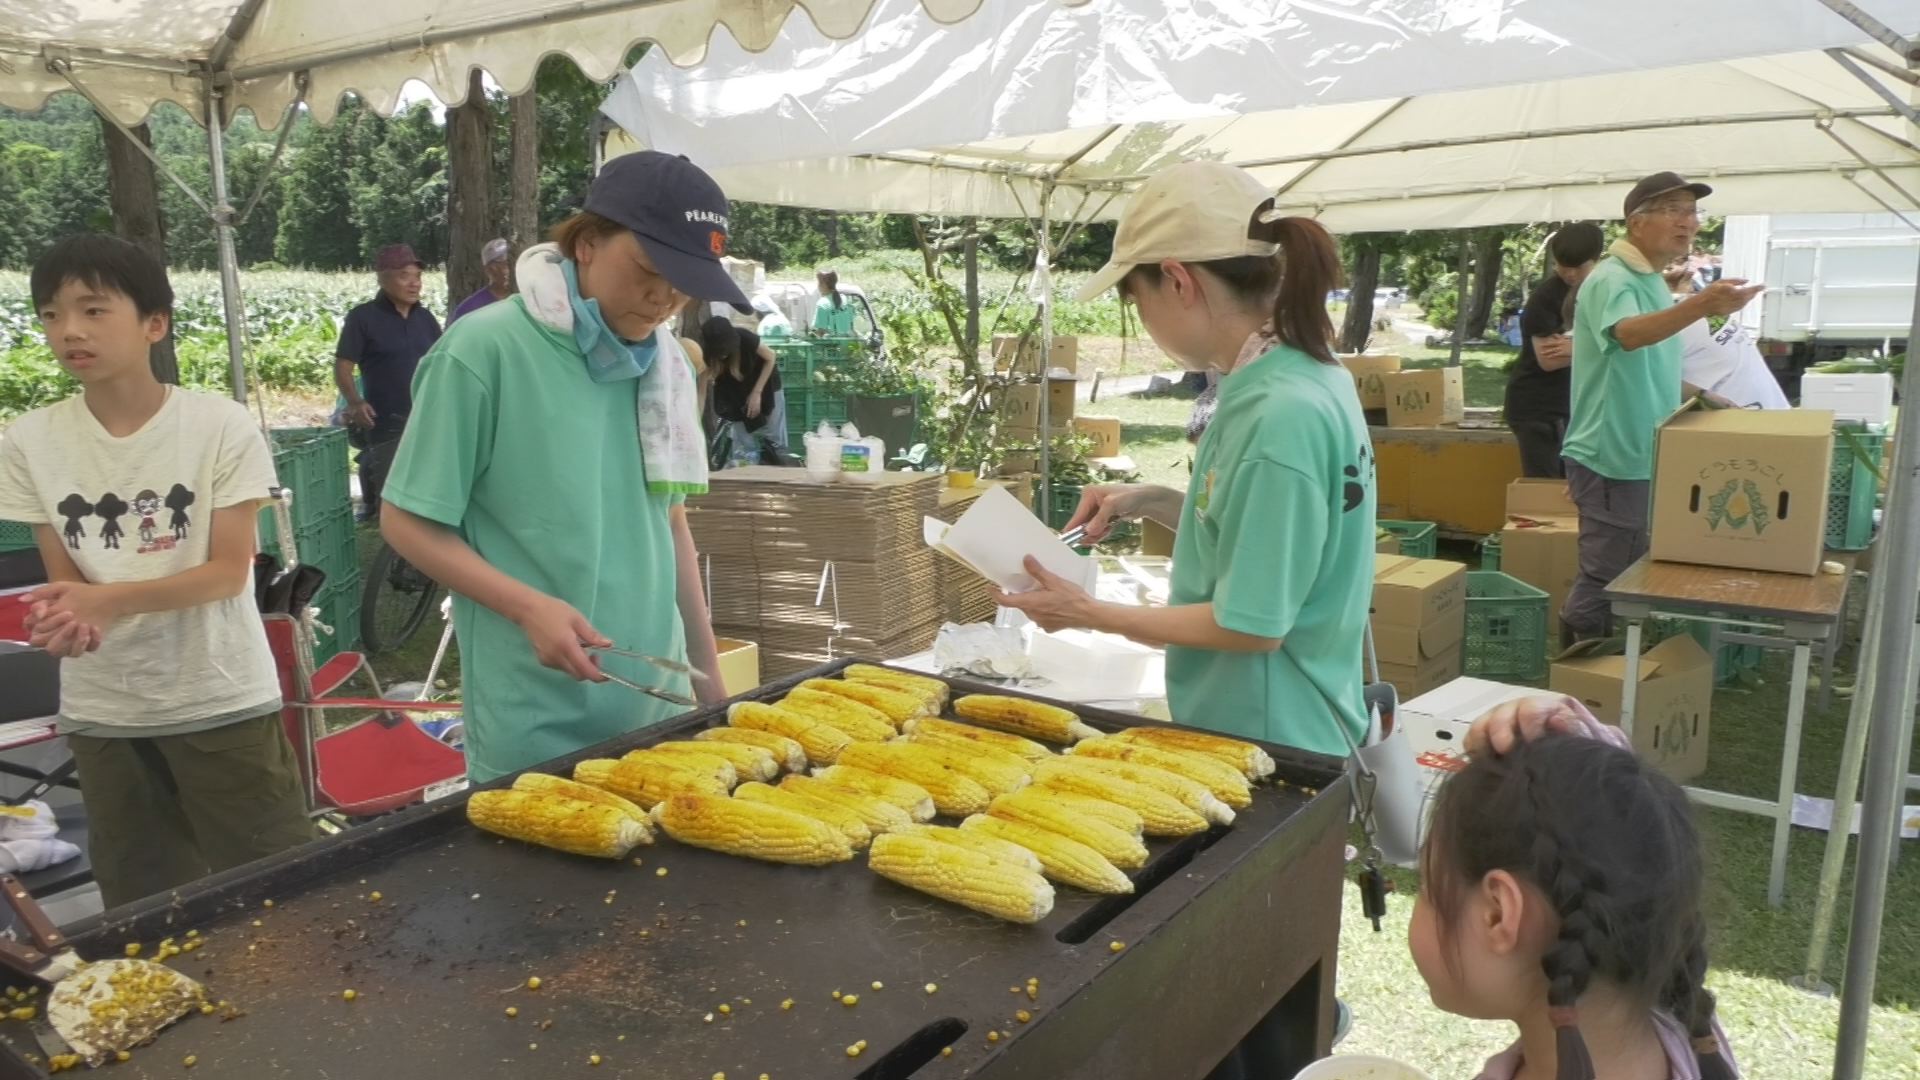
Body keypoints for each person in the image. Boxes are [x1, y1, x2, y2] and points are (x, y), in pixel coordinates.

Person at [378, 151, 745, 783]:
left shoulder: (670, 366)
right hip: (533, 716)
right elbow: (406, 522)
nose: (662, 299)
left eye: (683, 283)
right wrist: (527, 607)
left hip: (654, 704)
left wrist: (710, 681)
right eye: (650, 270)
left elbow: (671, 523)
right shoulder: (482, 351)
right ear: (587, 243)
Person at [996, 161, 1373, 758]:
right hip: (1279, 715)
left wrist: (1089, 613)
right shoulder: (1303, 375)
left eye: (1135, 299)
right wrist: (1153, 500)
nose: (1144, 324)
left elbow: (1251, 625)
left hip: (1271, 732)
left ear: (1177, 280)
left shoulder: (1278, 416)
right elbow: (1266, 535)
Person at [0, 235, 313, 909]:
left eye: (92, 309)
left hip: (219, 696)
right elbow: (70, 586)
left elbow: (228, 574)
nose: (70, 331)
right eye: (51, 314)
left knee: (276, 893)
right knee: (143, 906)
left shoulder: (218, 427)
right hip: (104, 712)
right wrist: (67, 624)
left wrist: (105, 603)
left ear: (154, 323)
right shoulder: (28, 441)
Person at [1408, 695, 1739, 1080]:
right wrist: (1567, 731)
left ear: (1498, 914)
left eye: (1426, 887)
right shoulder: (1681, 1029)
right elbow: (1627, 818)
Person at [1558, 173, 1761, 644]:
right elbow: (1628, 336)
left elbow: (1651, 365)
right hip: (1612, 453)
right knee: (1607, 571)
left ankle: (1605, 666)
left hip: (1637, 451)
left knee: (1627, 563)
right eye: (1673, 210)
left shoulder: (1646, 279)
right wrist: (1702, 304)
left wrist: (1701, 395)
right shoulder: (1613, 277)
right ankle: (1584, 670)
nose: (1687, 222)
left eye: (1692, 212)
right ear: (1636, 221)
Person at [335, 243, 442, 523]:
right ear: (383, 278)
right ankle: (394, 562)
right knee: (393, 503)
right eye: (405, 275)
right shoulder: (363, 318)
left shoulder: (426, 318)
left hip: (427, 421)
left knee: (430, 499)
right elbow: (343, 366)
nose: (414, 283)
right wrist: (355, 402)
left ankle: (425, 562)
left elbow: (440, 363)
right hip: (386, 425)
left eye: (418, 276)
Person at [1504, 223, 1605, 479]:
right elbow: (1549, 360)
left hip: (1571, 405)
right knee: (1545, 486)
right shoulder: (1545, 298)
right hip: (1537, 408)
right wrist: (1599, 347)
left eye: (1578, 267)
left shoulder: (1600, 290)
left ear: (1595, 260)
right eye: (1562, 265)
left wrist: (1577, 348)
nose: (1569, 274)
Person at [700, 315, 787, 467]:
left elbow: (771, 357)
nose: (723, 354)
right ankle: (745, 470)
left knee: (774, 438)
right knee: (742, 443)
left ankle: (778, 465)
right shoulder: (707, 356)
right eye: (719, 351)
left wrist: (757, 392)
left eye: (725, 349)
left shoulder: (745, 337)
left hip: (766, 383)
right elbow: (701, 392)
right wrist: (696, 422)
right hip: (736, 391)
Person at [449, 238, 513, 323]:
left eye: (510, 263)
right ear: (488, 270)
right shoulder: (470, 308)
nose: (508, 269)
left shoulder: (528, 300)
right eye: (502, 264)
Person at [812, 268, 856, 336]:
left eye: (818, 282)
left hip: (831, 345)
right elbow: (851, 327)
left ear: (823, 284)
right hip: (848, 344)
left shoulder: (822, 304)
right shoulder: (845, 300)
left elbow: (820, 332)